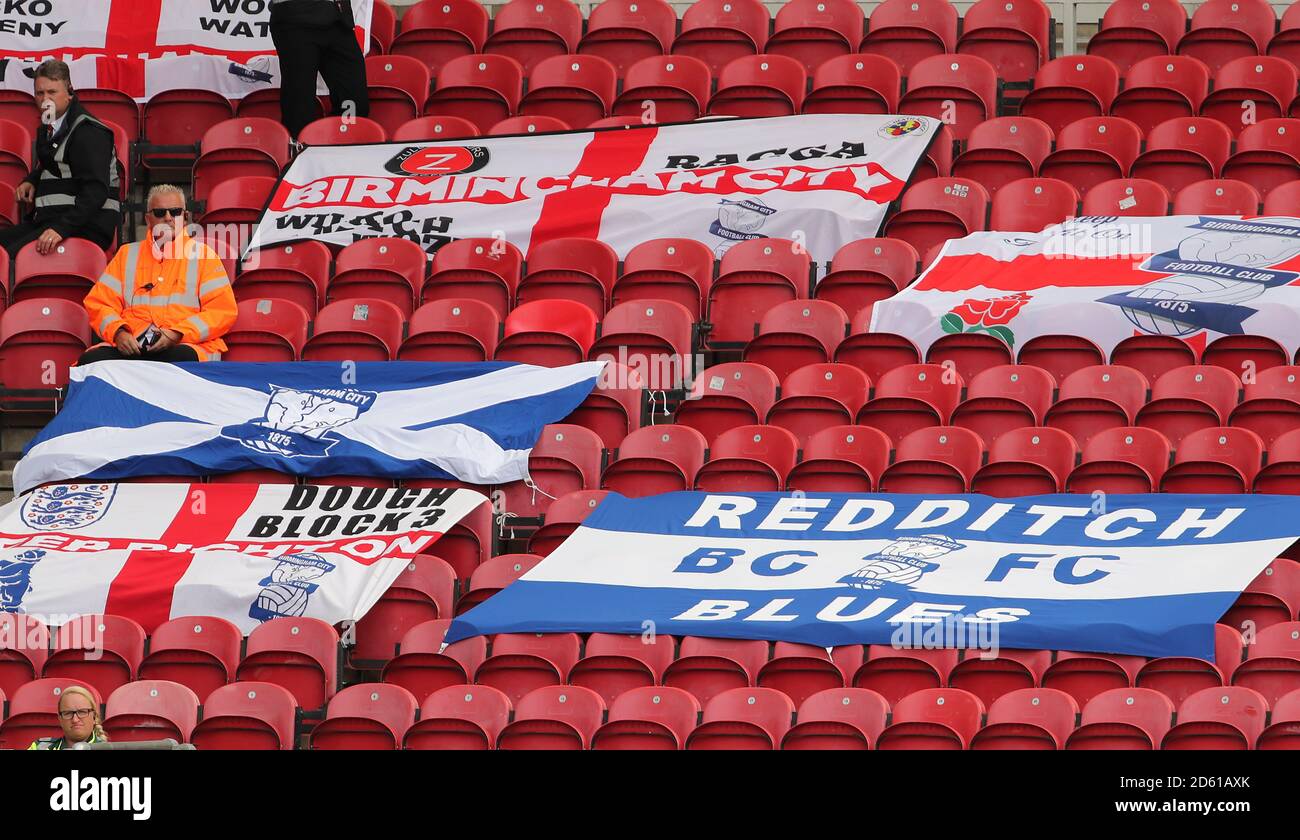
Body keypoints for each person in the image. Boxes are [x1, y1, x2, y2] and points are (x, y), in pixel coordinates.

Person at [80, 185, 238, 363]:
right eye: (160, 213)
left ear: (185, 218)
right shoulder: (126, 254)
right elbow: (99, 303)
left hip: (185, 345)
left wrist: (177, 333)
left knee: (180, 357)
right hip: (133, 346)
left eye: (175, 212)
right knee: (91, 360)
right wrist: (119, 333)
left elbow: (222, 311)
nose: (168, 218)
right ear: (148, 220)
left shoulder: (205, 256)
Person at [0, 59, 121, 257]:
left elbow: (96, 190)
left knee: (10, 257)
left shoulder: (88, 131)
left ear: (70, 92)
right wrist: (33, 179)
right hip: (51, 220)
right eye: (40, 93)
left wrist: (61, 228)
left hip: (85, 226)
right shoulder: (52, 124)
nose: (45, 99)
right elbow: (58, 162)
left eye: (52, 92)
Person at [269, 0, 370, 139]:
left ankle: (344, 141)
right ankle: (300, 153)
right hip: (295, 19)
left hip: (338, 16)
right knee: (300, 104)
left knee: (354, 99)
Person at [28, 685, 108, 750]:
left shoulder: (108, 749)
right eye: (68, 713)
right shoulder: (40, 747)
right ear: (60, 719)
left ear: (94, 716)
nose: (75, 719)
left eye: (82, 712)